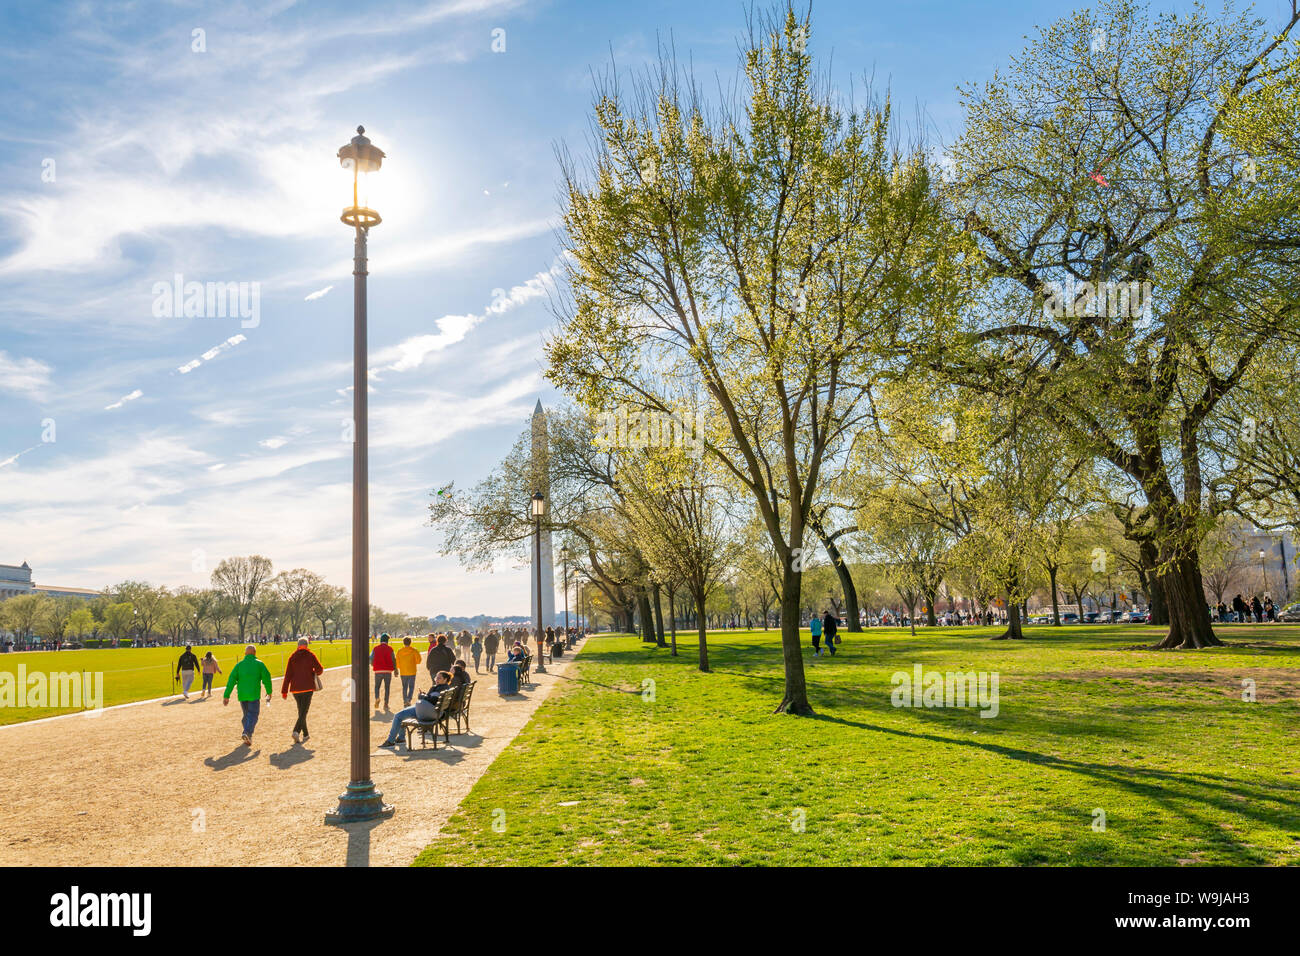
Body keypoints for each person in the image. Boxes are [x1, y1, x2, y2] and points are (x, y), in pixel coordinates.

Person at [379, 670, 452, 749]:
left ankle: (391, 740)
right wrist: (424, 695)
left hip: (427, 712)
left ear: (445, 680)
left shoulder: (440, 689)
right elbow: (433, 699)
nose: (436, 679)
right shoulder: (443, 688)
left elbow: (433, 700)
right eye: (436, 678)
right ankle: (400, 738)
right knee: (401, 714)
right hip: (430, 710)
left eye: (439, 678)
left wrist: (421, 696)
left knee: (398, 716)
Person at [223, 645, 273, 746]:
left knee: (247, 715)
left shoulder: (239, 665)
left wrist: (226, 695)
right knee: (253, 714)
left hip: (242, 695)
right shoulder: (259, 664)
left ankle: (248, 735)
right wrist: (269, 692)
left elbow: (231, 680)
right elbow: (266, 678)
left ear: (245, 653)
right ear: (255, 653)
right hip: (253, 694)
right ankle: (247, 732)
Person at [281, 637, 324, 743]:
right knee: (303, 712)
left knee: (301, 712)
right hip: (308, 687)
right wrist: (313, 671)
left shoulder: (292, 657)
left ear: (297, 645)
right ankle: (296, 731)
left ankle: (306, 734)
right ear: (307, 645)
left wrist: (284, 691)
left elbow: (288, 675)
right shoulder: (311, 655)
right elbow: (320, 670)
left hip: (295, 689)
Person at [370, 633, 397, 711]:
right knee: (387, 687)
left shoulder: (375, 648)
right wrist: (395, 670)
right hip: (388, 671)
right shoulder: (390, 649)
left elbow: (371, 658)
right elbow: (393, 660)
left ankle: (377, 697)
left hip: (378, 670)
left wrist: (373, 665)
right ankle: (386, 704)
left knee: (377, 686)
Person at [396, 637, 422, 706]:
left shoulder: (400, 651)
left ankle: (405, 700)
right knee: (411, 687)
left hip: (403, 671)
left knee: (404, 687)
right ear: (410, 642)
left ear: (403, 642)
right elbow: (419, 661)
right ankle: (409, 699)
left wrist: (400, 667)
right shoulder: (414, 650)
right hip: (412, 671)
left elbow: (397, 662)